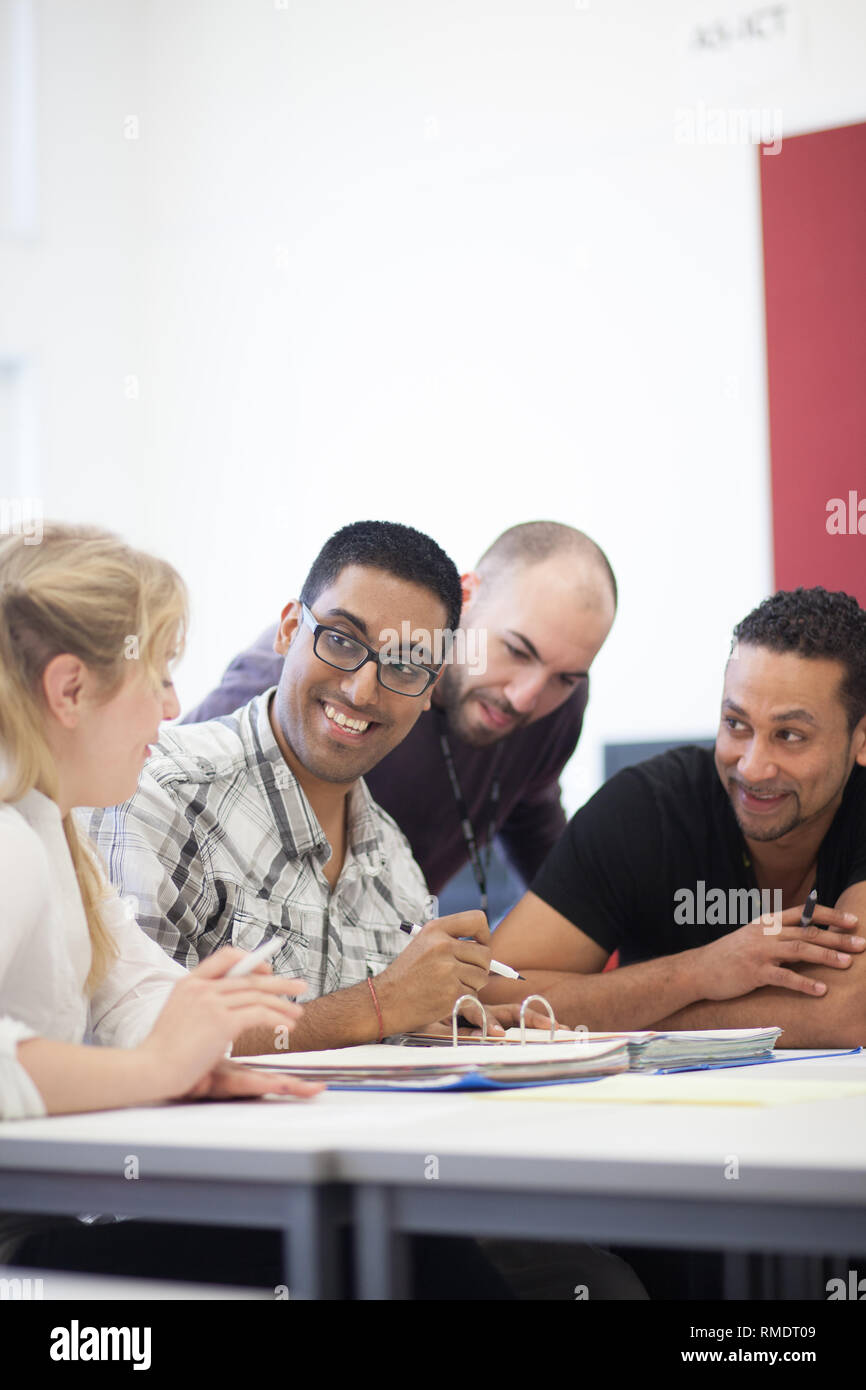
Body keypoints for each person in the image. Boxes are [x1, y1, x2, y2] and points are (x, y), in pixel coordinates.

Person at [86, 521, 551, 1052]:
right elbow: (123, 1038)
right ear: (288, 629)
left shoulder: (396, 866)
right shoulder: (155, 794)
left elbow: (368, 1038)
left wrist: (439, 1029)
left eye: (405, 666)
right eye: (340, 639)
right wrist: (381, 1004)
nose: (361, 689)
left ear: (430, 689)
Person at [0, 523, 319, 1273]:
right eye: (160, 676)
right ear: (70, 689)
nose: (174, 707)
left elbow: (127, 985)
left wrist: (197, 1034)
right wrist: (156, 1070)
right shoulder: (10, 838)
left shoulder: (50, 823)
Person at [482, 587, 866, 1050]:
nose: (751, 766)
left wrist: (635, 1013)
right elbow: (488, 994)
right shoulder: (646, 809)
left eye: (790, 735)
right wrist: (694, 973)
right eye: (736, 724)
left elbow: (848, 1014)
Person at [182, 521, 617, 902]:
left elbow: (534, 827)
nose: (526, 699)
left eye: (566, 678)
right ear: (467, 597)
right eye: (517, 651)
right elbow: (161, 793)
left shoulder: (557, 705)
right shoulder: (294, 677)